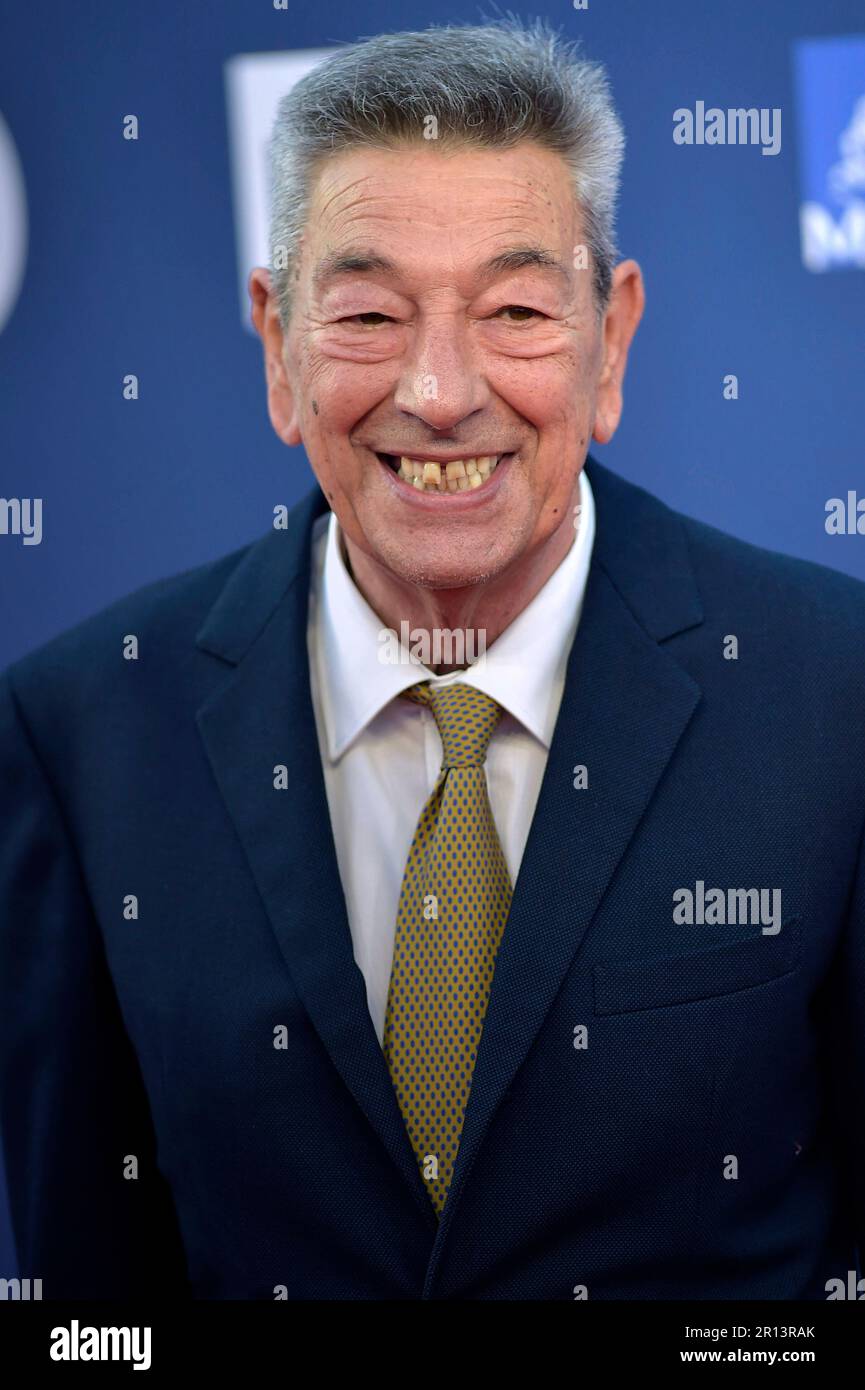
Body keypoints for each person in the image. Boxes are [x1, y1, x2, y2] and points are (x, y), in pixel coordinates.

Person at [1, 18, 863, 1301]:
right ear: (276, 343)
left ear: (609, 340)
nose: (442, 388)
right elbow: (90, 1309)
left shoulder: (832, 692)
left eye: (514, 308)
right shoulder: (85, 728)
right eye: (367, 312)